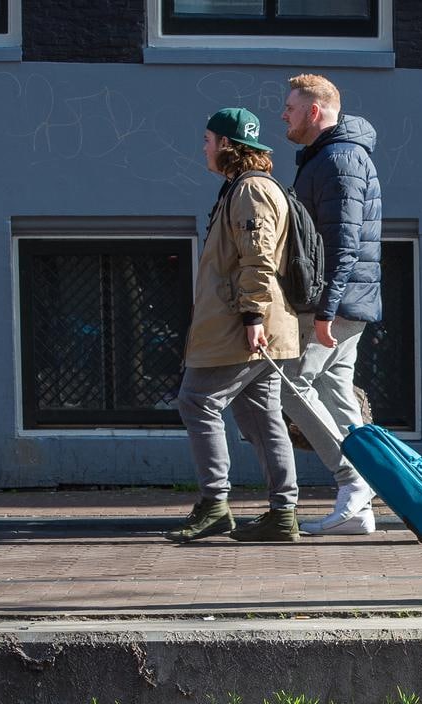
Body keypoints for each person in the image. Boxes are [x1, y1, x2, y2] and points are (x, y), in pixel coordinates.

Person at [165, 106, 302, 545]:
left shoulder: (252, 191)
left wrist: (252, 315)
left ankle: (214, 504)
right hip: (250, 322)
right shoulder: (240, 189)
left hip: (242, 326)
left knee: (197, 401)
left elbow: (257, 257)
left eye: (207, 140)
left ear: (227, 144)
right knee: (261, 417)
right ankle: (283, 513)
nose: (203, 148)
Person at [279, 73, 384, 536]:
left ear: (314, 111)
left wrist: (325, 309)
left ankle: (351, 480)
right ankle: (358, 508)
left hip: (336, 300)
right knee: (336, 391)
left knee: (291, 385)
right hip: (345, 297)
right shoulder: (329, 157)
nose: (283, 115)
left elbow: (344, 242)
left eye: (290, 107)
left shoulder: (339, 160)